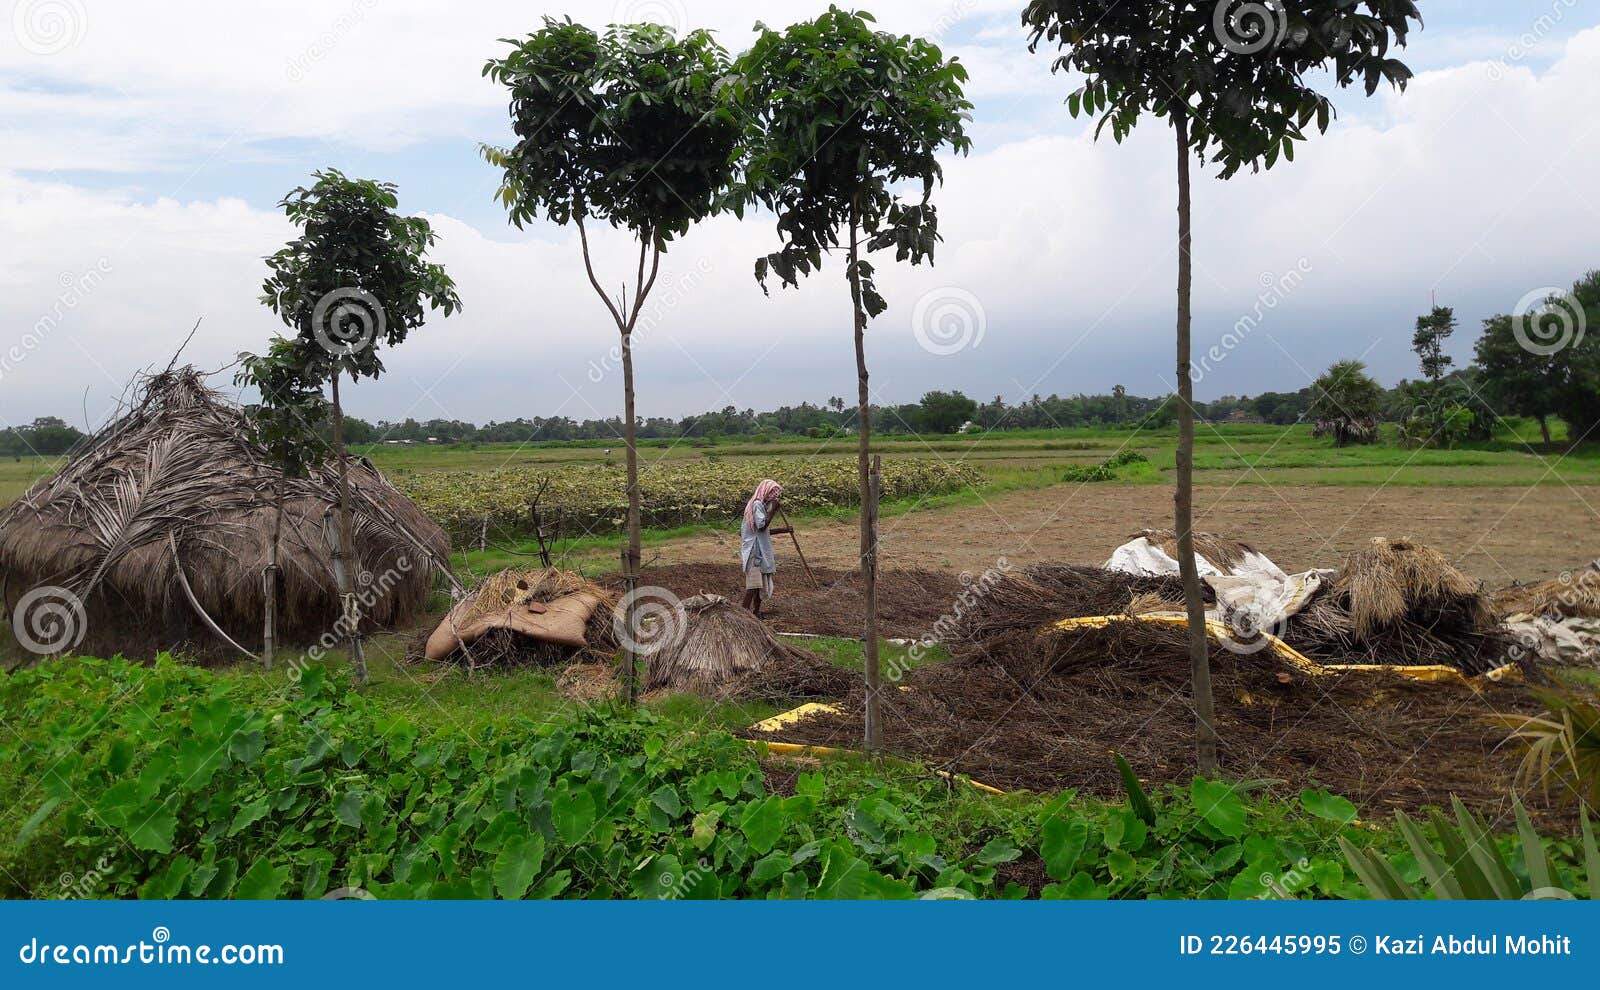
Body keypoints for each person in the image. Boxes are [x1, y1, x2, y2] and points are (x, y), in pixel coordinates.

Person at [740, 479, 791, 616]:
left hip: (758, 550)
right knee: (753, 585)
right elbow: (762, 526)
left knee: (758, 585)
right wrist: (773, 510)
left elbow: (763, 532)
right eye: (772, 494)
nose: (774, 497)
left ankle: (756, 613)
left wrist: (784, 530)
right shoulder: (756, 504)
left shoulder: (759, 505)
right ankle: (743, 615)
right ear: (765, 492)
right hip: (754, 552)